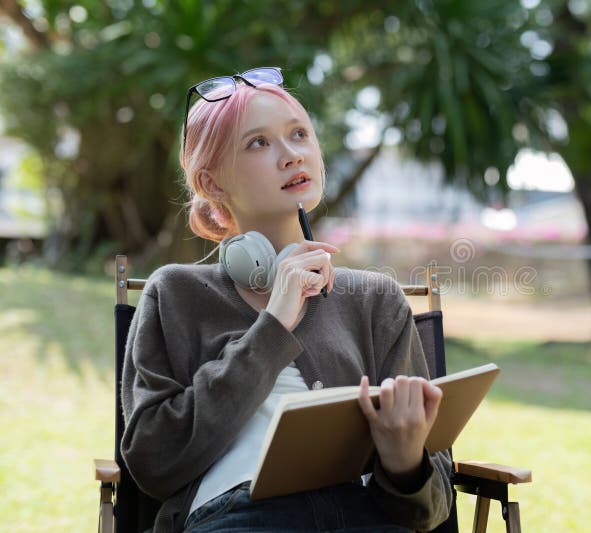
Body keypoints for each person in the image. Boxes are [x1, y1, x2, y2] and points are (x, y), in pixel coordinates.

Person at [120, 67, 453, 533]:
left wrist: (405, 464)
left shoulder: (375, 299)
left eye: (299, 134)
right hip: (236, 515)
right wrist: (273, 325)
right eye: (258, 142)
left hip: (365, 514)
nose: (292, 154)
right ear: (212, 184)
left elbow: (433, 506)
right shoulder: (176, 293)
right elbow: (153, 461)